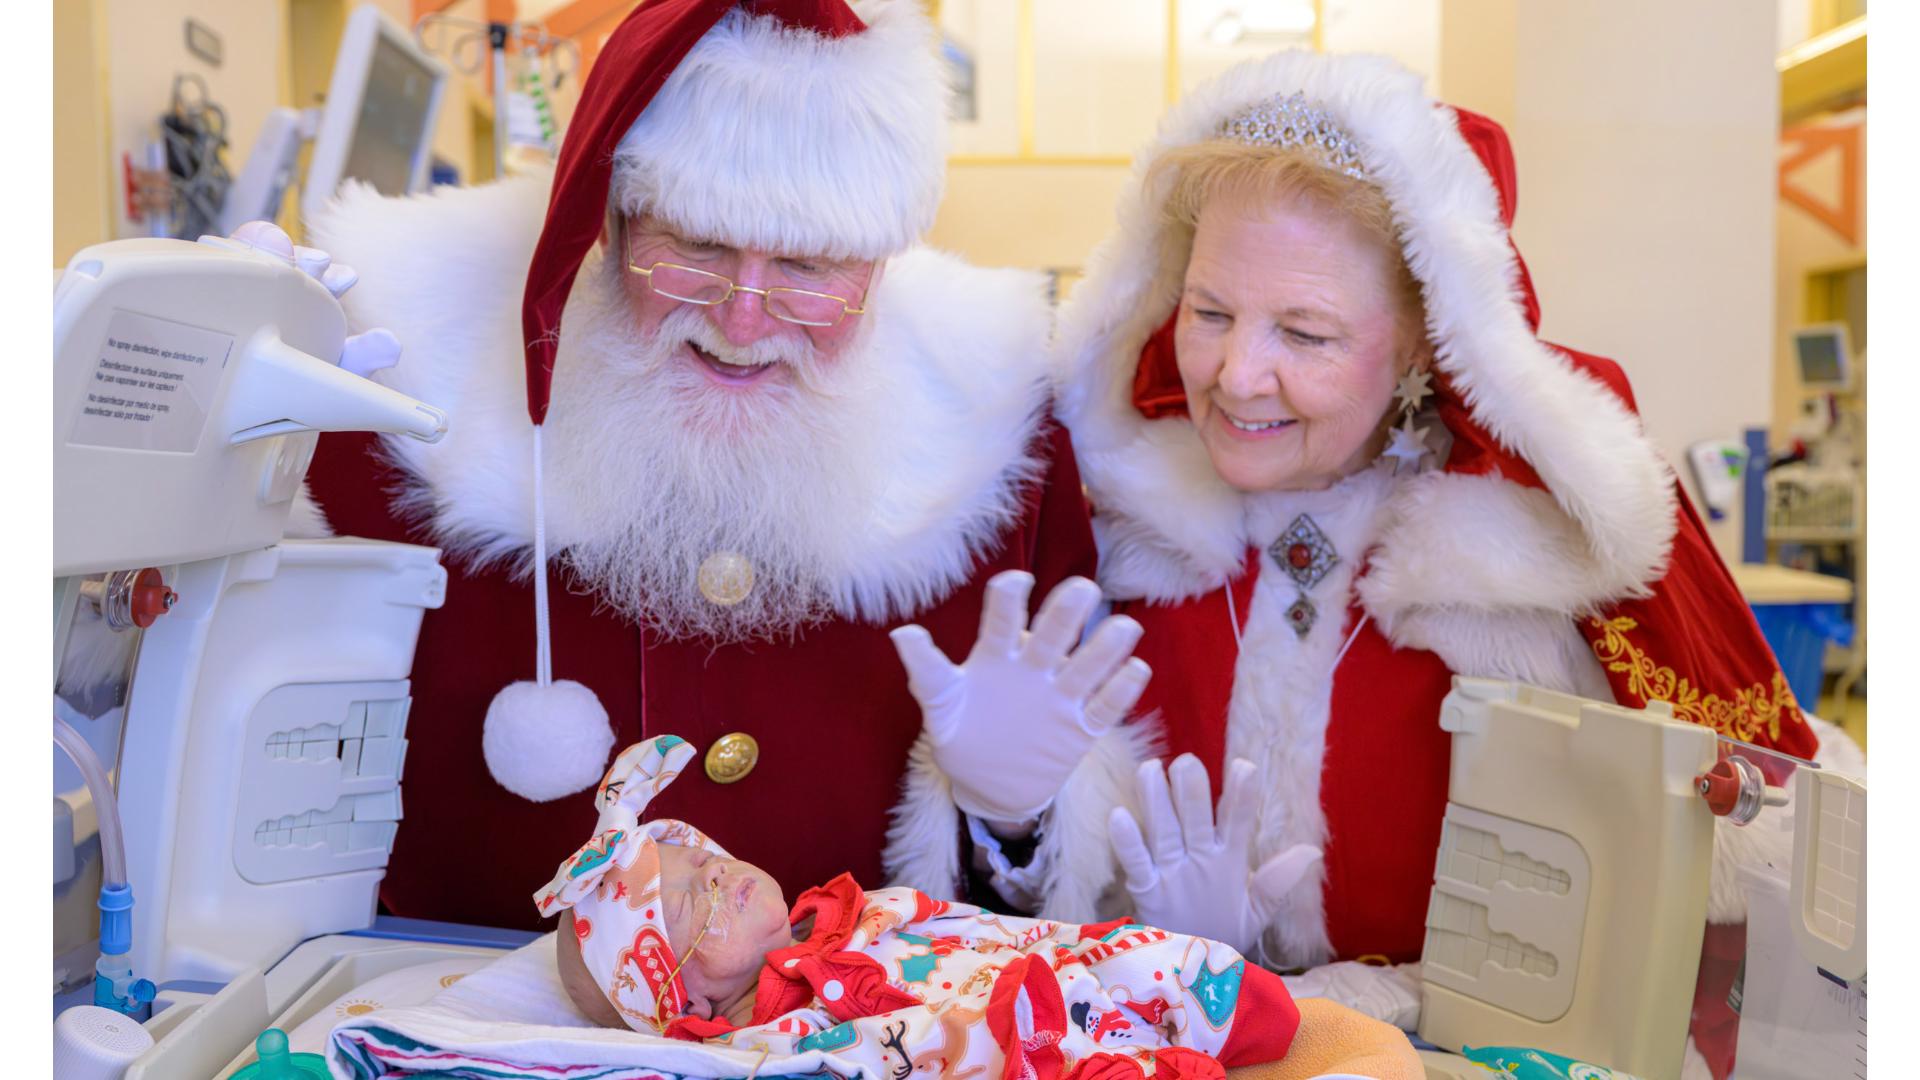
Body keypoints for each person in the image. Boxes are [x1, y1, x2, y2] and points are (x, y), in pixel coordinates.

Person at [1027, 50, 1862, 1075]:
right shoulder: (1119, 531)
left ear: (1429, 344)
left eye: (1306, 330)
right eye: (1208, 312)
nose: (1237, 375)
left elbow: (1659, 944)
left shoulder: (1525, 576)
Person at [298, 0, 1152, 932]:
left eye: (809, 266)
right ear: (610, 224)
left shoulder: (1001, 422)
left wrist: (1013, 816)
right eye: (695, 245)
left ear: (880, 267)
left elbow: (1034, 926)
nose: (743, 322)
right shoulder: (390, 366)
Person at [539, 736, 1421, 1080]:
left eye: (702, 855)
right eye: (693, 901)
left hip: (1048, 962)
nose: (718, 873)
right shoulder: (758, 1039)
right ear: (682, 1002)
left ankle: (1219, 1009)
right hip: (1017, 1041)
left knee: (1147, 961)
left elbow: (965, 926)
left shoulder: (843, 909)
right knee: (1050, 1043)